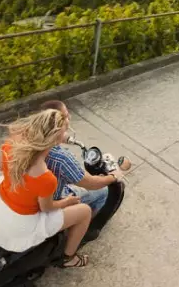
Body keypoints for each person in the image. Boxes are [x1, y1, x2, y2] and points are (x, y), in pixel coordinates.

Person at [0, 108, 92, 267]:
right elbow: (46, 208)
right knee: (85, 211)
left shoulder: (11, 145)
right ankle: (69, 258)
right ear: (57, 139)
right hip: (22, 222)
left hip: (0, 204)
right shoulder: (45, 177)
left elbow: (0, 167)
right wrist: (67, 201)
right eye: (65, 131)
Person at [40, 100, 125, 242]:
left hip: (36, 197)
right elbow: (91, 183)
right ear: (58, 124)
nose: (69, 118)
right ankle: (83, 231)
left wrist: (61, 137)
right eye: (65, 116)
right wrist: (113, 176)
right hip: (55, 200)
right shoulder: (62, 159)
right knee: (103, 192)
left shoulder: (32, 140)